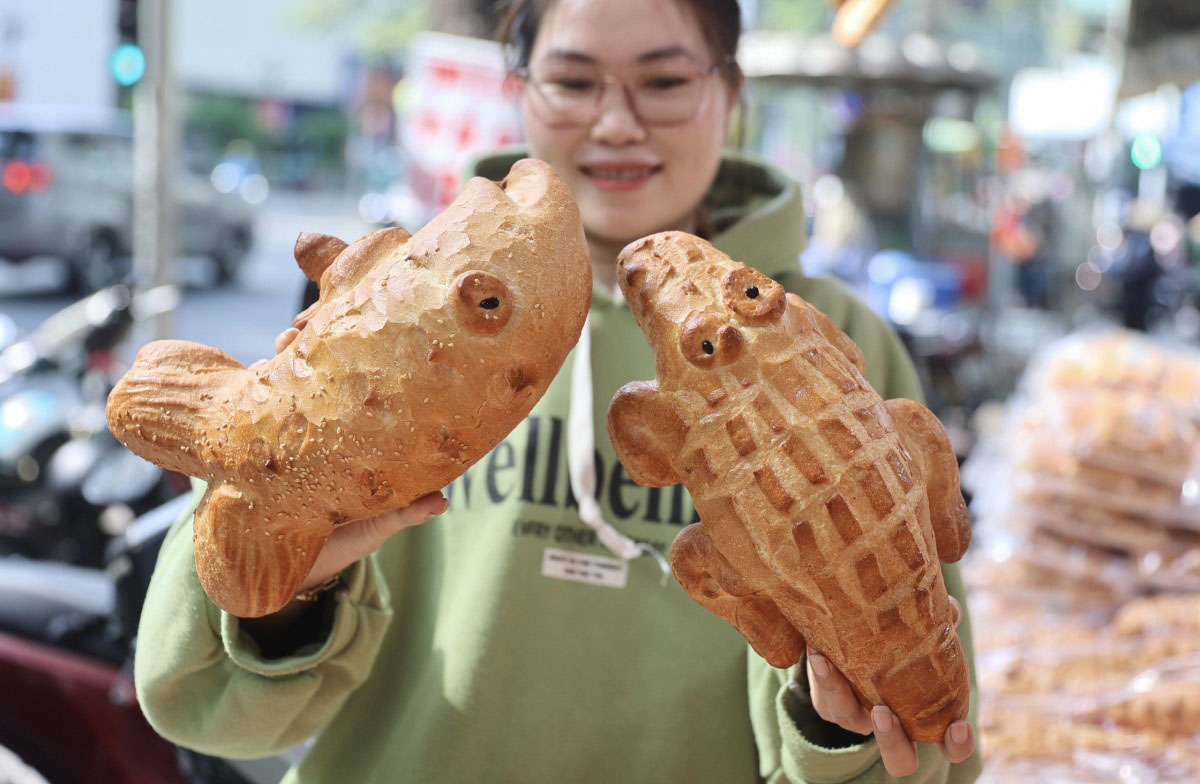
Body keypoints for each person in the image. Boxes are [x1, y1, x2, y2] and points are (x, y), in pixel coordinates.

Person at [134, 1, 982, 782]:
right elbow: (205, 706)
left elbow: (939, 738)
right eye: (574, 80)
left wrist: (835, 726)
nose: (616, 122)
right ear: (520, 87)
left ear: (730, 88)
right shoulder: (393, 296)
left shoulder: (840, 338)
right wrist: (292, 596)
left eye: (664, 80)